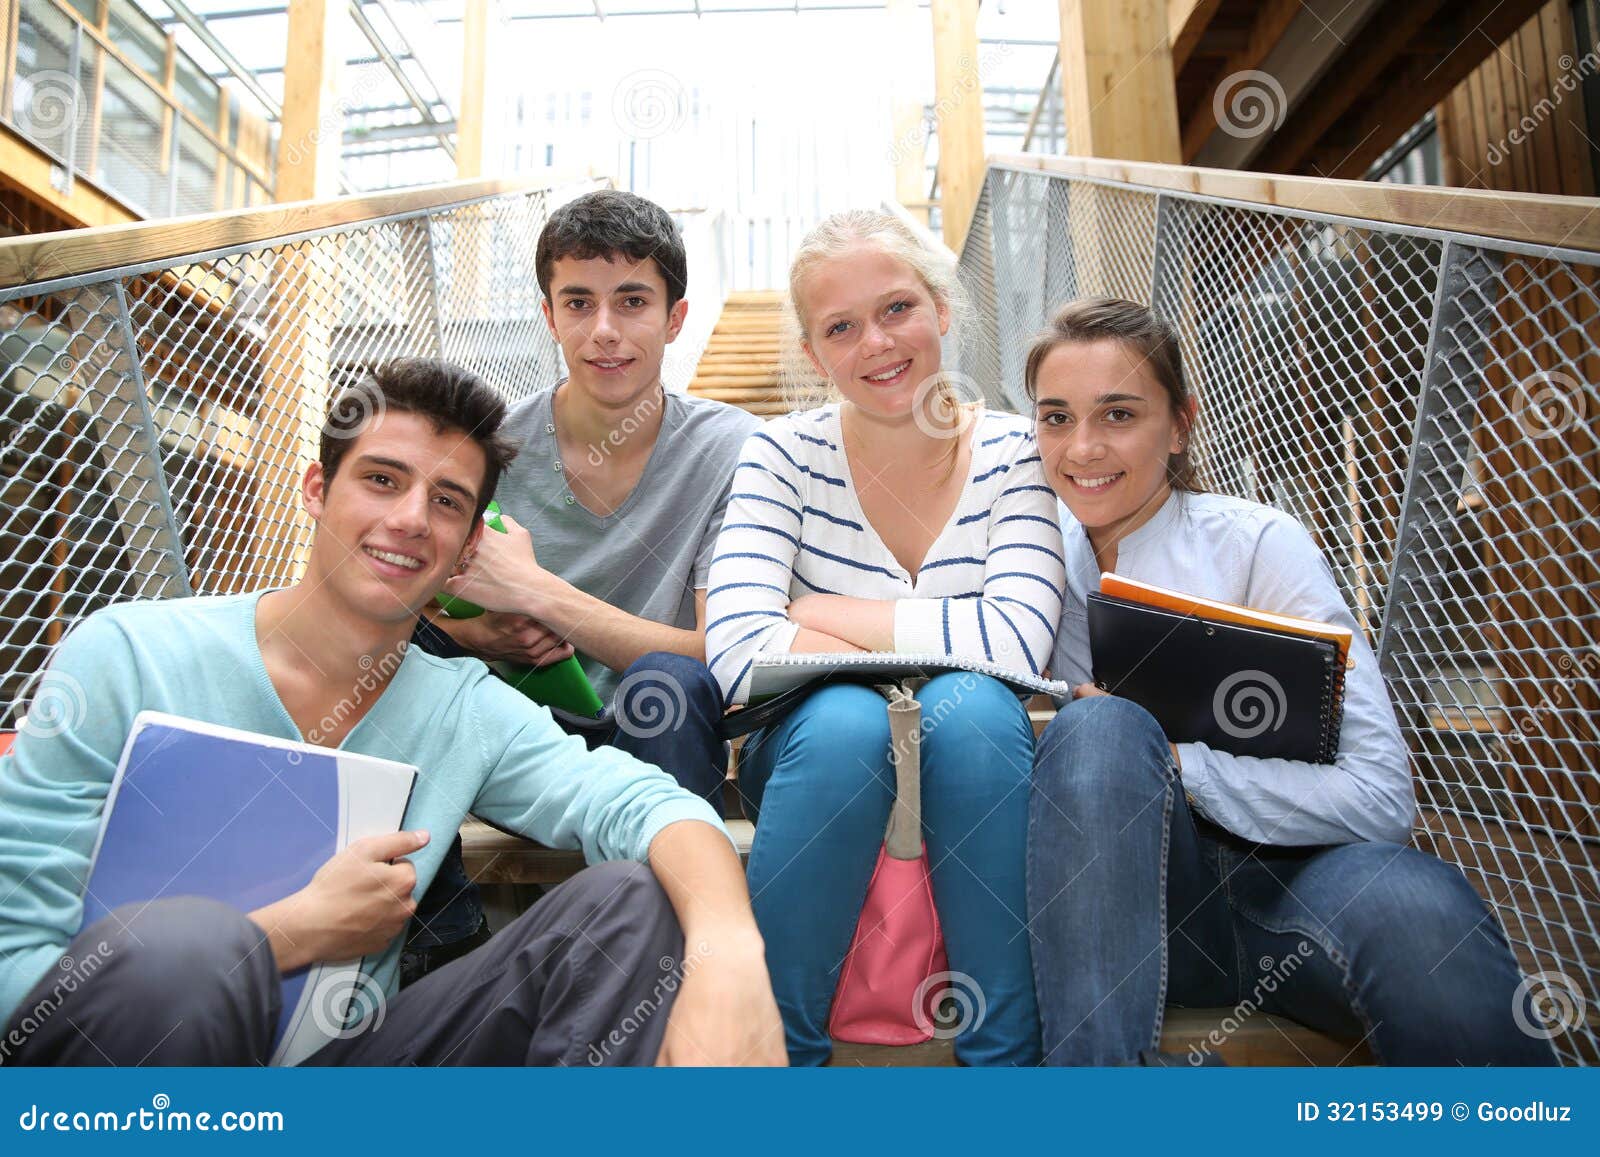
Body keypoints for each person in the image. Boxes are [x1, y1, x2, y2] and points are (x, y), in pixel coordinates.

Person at [0, 358, 784, 1067]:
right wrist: (291, 932)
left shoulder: (460, 705)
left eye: (446, 501)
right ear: (315, 490)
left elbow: (644, 801)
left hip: (348, 1066)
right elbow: (14, 964)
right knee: (186, 948)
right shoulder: (126, 656)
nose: (412, 518)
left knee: (631, 903)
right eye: (382, 479)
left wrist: (732, 949)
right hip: (122, 1081)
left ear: (470, 545)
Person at [1024, 297, 1556, 1066]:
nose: (1083, 447)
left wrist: (1179, 762)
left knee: (1418, 908)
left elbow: (1381, 797)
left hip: (1300, 892)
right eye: (1055, 417)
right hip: (1124, 918)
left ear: (1178, 426)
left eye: (1118, 413)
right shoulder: (1027, 570)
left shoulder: (1256, 544)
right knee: (1099, 728)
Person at [703, 210, 1065, 1066]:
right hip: (811, 752)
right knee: (843, 725)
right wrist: (940, 638)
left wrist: (823, 609)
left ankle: (1002, 1071)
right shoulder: (778, 453)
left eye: (897, 307)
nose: (876, 343)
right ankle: (776, 1063)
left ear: (942, 308)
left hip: (981, 756)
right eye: (841, 326)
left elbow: (1015, 643)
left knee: (971, 707)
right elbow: (737, 652)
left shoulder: (1019, 451)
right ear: (813, 352)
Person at [406, 190, 758, 981]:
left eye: (632, 301)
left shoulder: (736, 449)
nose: (605, 330)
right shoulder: (490, 444)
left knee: (673, 678)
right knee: (419, 664)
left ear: (674, 317)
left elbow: (728, 651)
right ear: (549, 315)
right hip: (519, 732)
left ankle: (657, 977)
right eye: (579, 302)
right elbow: (406, 621)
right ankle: (442, 971)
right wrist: (483, 635)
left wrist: (536, 592)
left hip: (656, 729)